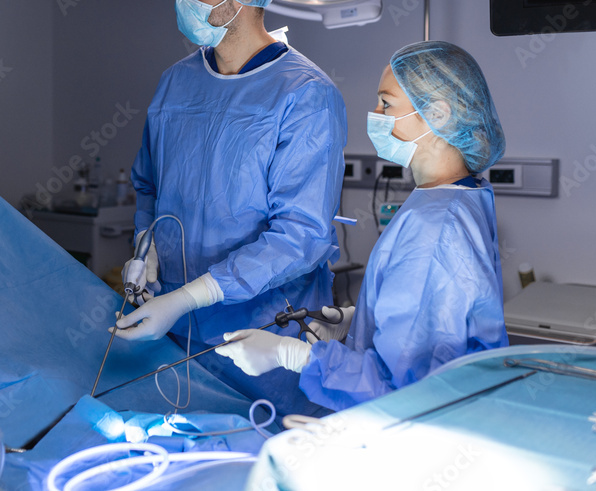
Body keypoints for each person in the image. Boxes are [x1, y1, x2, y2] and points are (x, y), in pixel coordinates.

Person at [112, 0, 347, 415]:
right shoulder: (176, 83)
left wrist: (195, 295)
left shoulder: (305, 93)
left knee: (261, 452)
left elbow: (300, 235)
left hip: (264, 330)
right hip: (175, 326)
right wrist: (145, 250)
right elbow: (149, 186)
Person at [215, 41, 510, 411]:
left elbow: (404, 389)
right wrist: (356, 324)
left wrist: (291, 355)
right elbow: (434, 319)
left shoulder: (434, 228)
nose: (375, 113)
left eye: (386, 103)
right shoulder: (462, 194)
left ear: (436, 115)